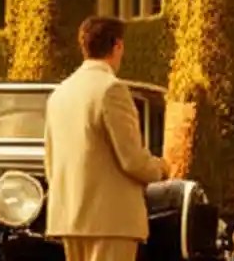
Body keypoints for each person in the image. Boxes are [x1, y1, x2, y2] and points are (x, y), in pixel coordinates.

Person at [45, 15, 169, 261]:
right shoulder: (111, 89)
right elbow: (132, 159)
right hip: (110, 220)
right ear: (118, 46)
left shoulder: (60, 93)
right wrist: (162, 168)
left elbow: (50, 161)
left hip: (69, 217)